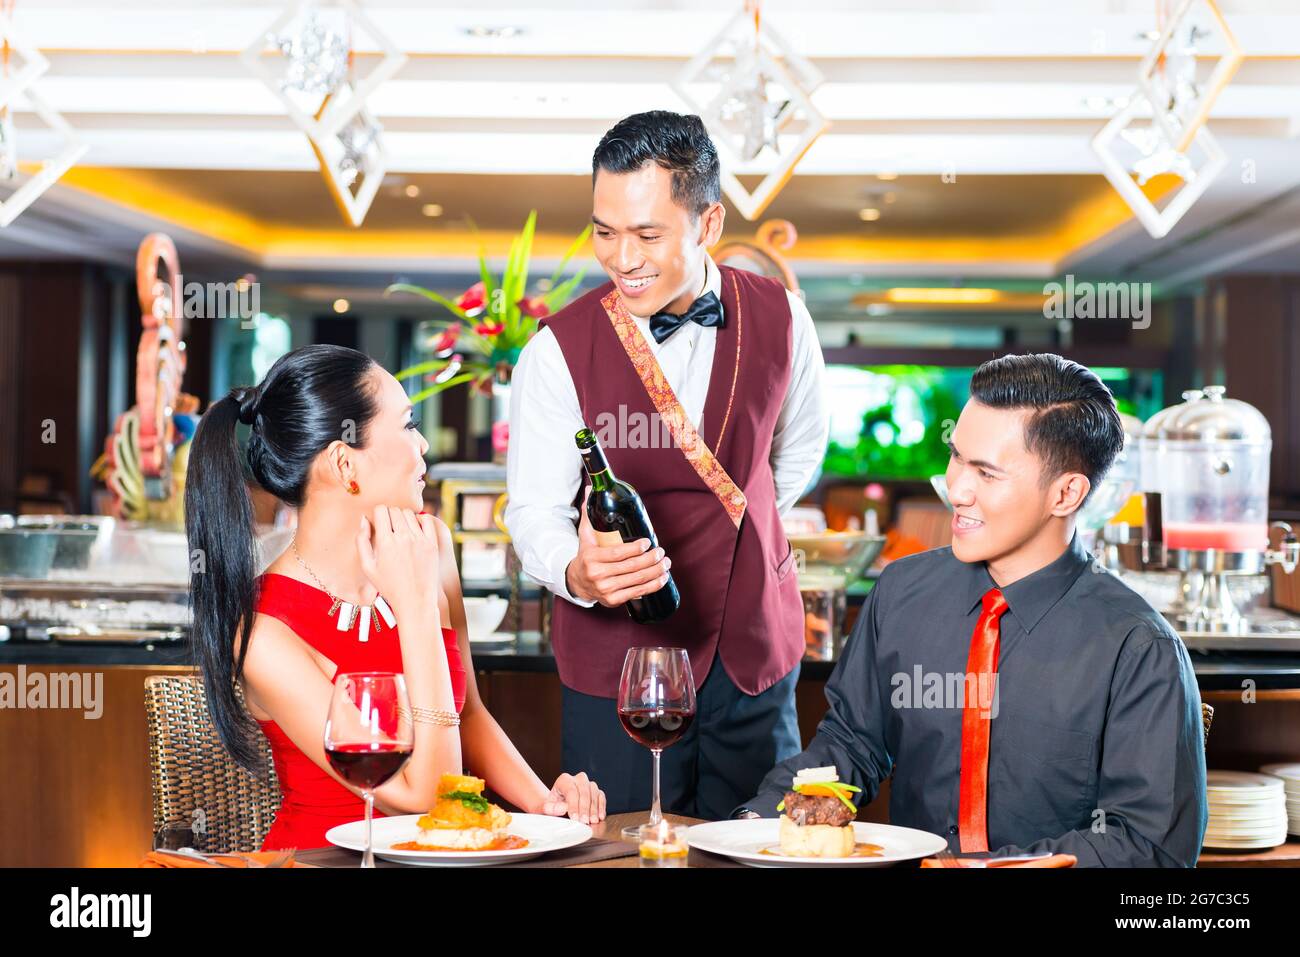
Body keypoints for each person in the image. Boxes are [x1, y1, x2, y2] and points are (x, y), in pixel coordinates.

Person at [737, 353, 1209, 867]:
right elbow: (851, 744)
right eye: (957, 458)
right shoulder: (902, 591)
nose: (956, 489)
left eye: (986, 473)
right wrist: (754, 826)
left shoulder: (1138, 646)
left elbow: (1148, 845)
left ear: (1066, 492)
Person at [504, 110, 828, 820]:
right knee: (620, 853)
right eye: (604, 231)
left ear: (708, 223)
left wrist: (742, 530)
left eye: (648, 234)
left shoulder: (784, 319)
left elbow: (796, 450)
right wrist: (577, 571)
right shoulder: (556, 349)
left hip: (753, 657)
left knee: (762, 850)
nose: (623, 258)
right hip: (617, 664)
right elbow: (531, 508)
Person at [185, 344, 606, 850]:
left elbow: (467, 713)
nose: (424, 443)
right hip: (331, 861)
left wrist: (546, 807)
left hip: (450, 854)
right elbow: (422, 795)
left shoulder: (431, 544)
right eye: (407, 425)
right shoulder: (266, 633)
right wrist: (414, 611)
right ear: (344, 464)